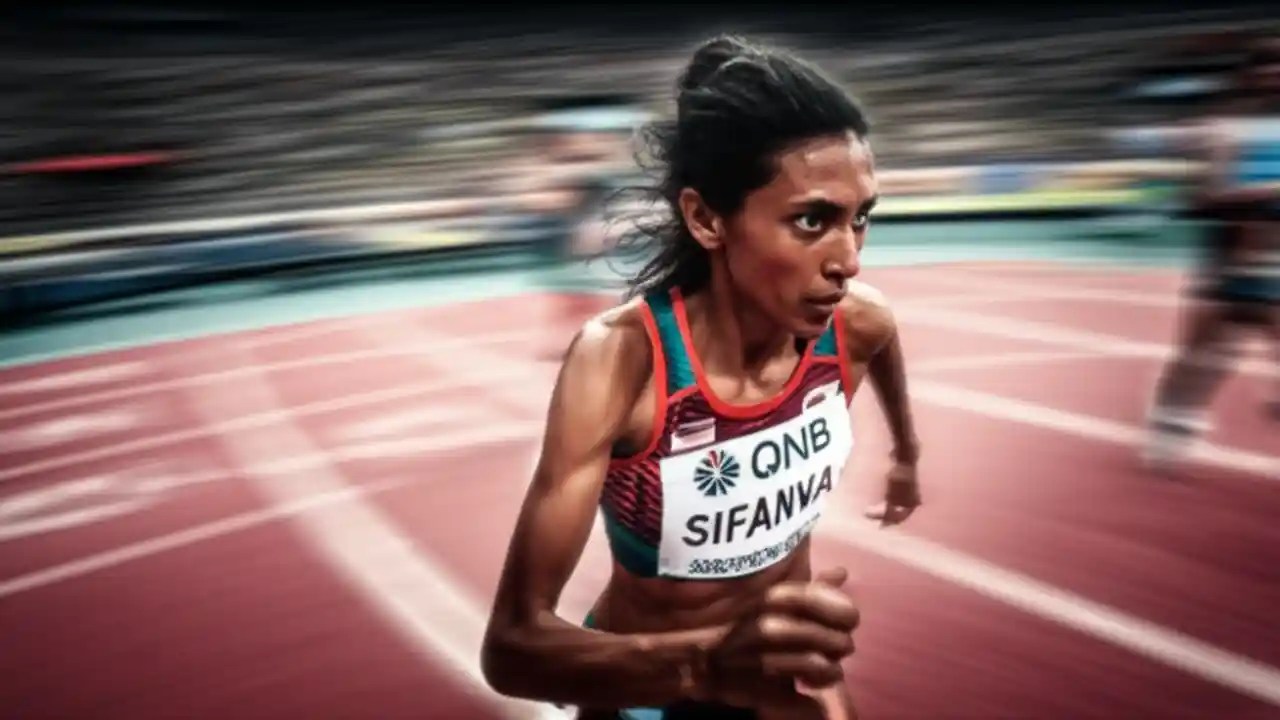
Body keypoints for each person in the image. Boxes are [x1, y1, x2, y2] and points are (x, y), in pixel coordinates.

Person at [482, 35, 922, 720]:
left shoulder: (854, 324)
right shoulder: (621, 364)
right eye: (812, 221)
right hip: (646, 688)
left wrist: (907, 457)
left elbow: (885, 340)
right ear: (706, 218)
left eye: (859, 220)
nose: (850, 261)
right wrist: (707, 664)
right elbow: (511, 648)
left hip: (778, 680)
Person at [1145, 38, 1280, 471]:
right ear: (1250, 75)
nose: (1275, 74)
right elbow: (1200, 198)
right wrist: (1265, 194)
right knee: (1199, 357)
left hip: (1274, 262)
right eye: (1267, 65)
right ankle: (1168, 428)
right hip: (1228, 262)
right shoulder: (1223, 130)